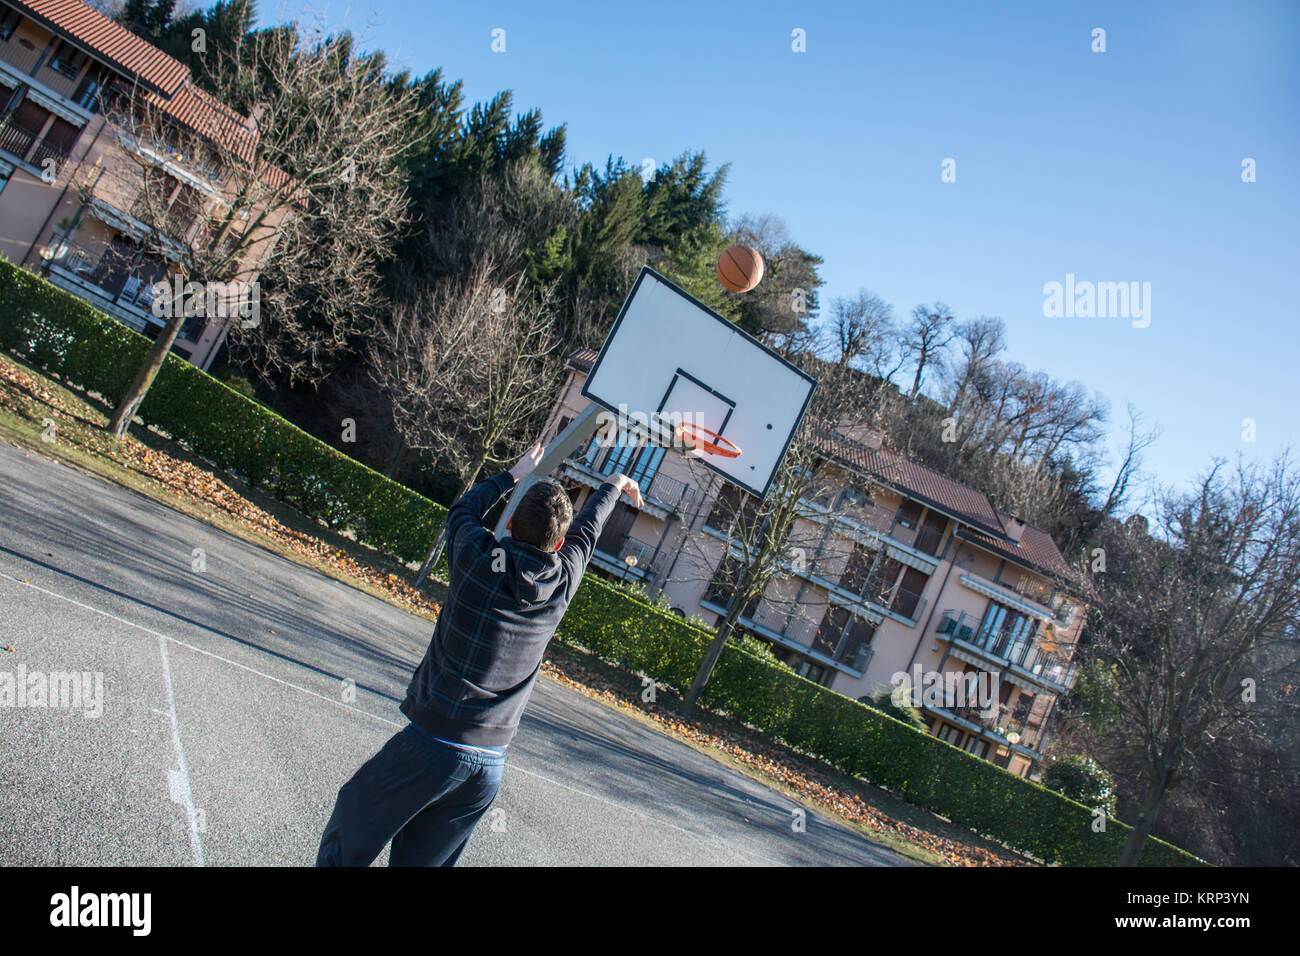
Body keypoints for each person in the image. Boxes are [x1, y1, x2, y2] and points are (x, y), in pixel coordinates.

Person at [316, 441, 642, 866]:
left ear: (507, 527)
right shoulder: (562, 584)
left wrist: (515, 473)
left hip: (433, 743)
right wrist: (614, 484)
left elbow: (463, 511)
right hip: (487, 768)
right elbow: (589, 529)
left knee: (350, 827)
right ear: (559, 546)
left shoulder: (475, 557)